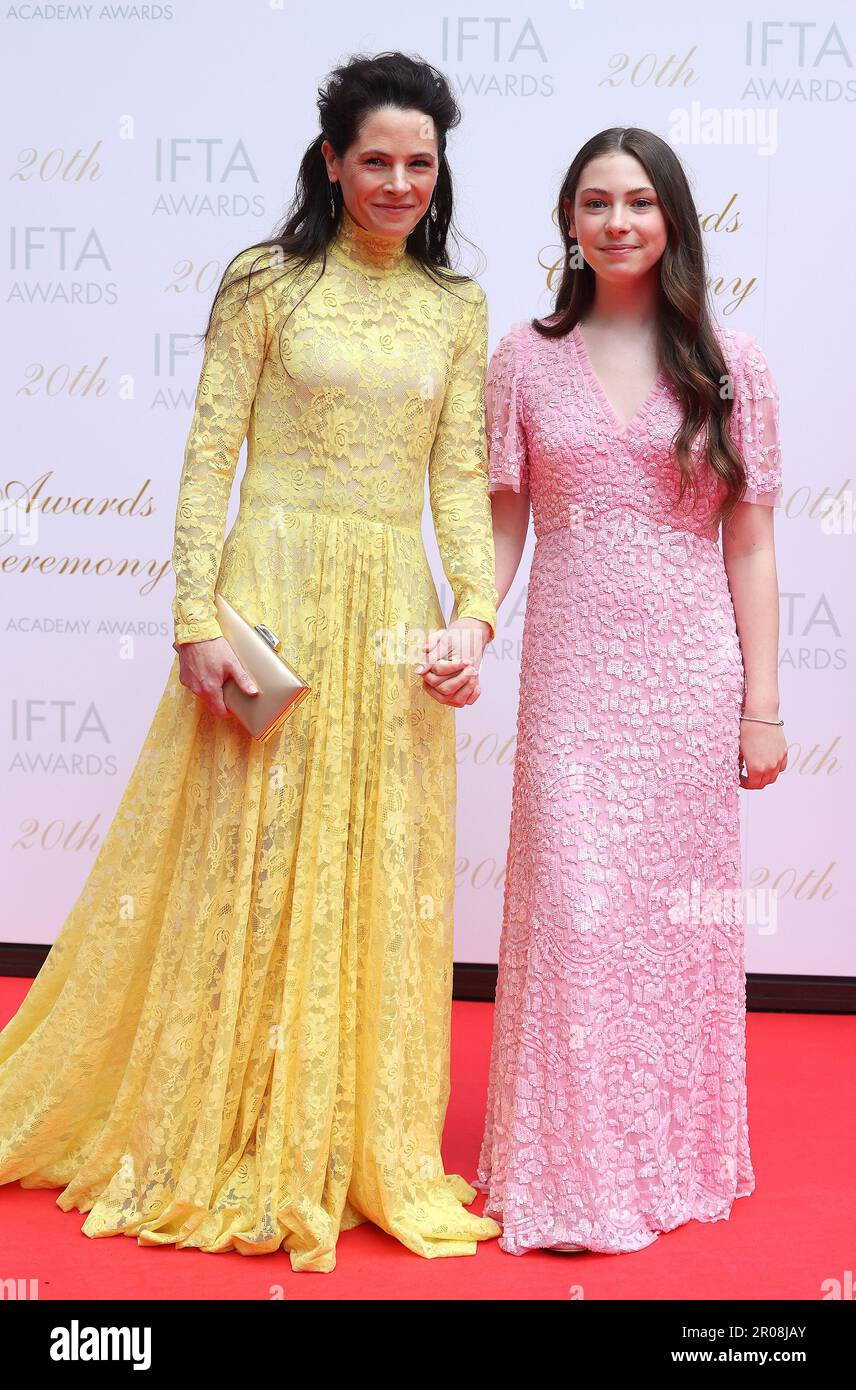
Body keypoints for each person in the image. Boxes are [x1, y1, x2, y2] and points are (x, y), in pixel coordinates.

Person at [0, 52, 501, 1273]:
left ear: (439, 171)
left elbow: (456, 475)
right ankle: (213, 1123)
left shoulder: (456, 306)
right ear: (331, 161)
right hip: (268, 602)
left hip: (390, 612)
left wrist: (476, 613)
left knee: (371, 868)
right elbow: (208, 452)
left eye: (418, 163)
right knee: (245, 864)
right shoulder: (264, 281)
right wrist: (192, 618)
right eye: (374, 160)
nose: (397, 183)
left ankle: (340, 1135)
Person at [465, 127, 786, 1256]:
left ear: (672, 218)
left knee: (663, 929)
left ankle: (666, 1156)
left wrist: (762, 704)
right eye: (595, 202)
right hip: (569, 675)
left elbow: (751, 543)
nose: (617, 221)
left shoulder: (730, 361)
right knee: (574, 914)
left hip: (687, 679)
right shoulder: (521, 358)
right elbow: (502, 529)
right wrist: (470, 622)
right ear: (568, 221)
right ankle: (566, 1172)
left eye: (640, 202)